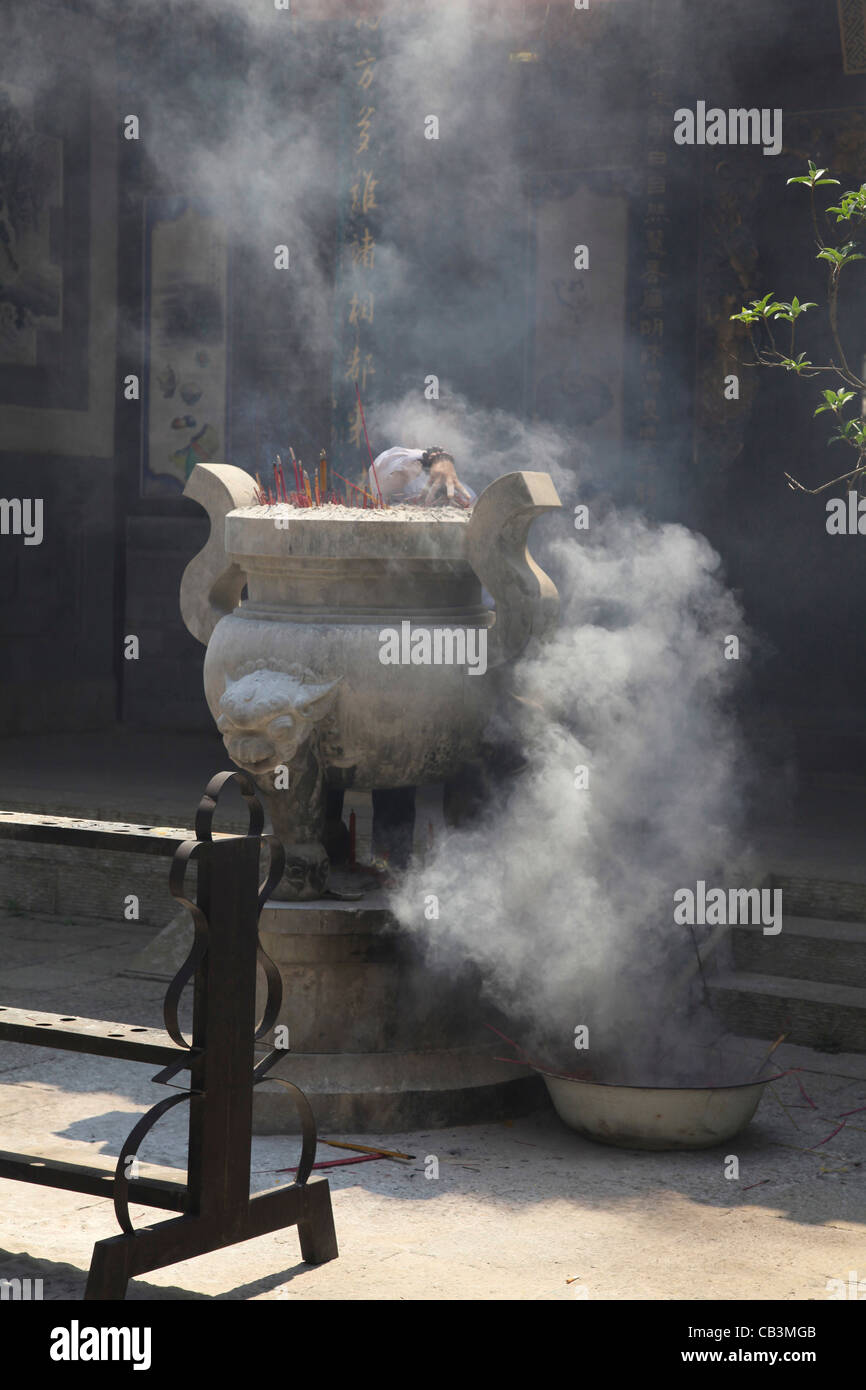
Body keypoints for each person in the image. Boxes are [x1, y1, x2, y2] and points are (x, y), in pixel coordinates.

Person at [324, 444, 474, 873]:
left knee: (397, 761)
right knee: (329, 757)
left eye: (408, 498)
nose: (401, 508)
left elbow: (435, 458)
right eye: (390, 500)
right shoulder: (357, 527)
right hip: (355, 655)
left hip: (422, 657)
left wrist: (442, 467)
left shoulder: (450, 505)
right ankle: (327, 857)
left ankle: (396, 865)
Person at [368, 445, 475, 507]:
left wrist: (441, 459)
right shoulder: (384, 482)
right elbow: (381, 466)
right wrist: (433, 458)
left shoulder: (463, 491)